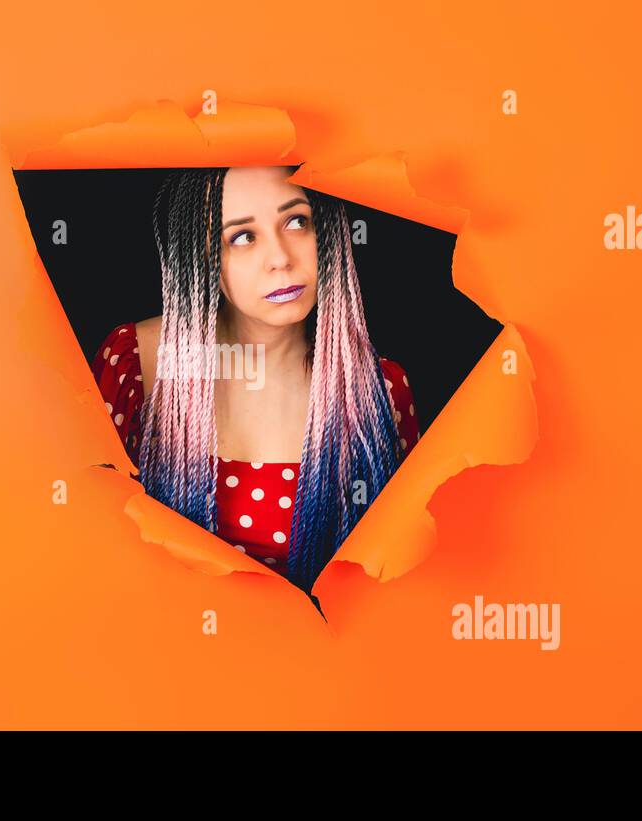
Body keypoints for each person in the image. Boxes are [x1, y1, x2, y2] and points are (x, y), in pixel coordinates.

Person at [92, 166, 418, 595]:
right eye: (242, 236)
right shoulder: (135, 362)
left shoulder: (380, 390)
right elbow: (89, 546)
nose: (281, 257)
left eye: (296, 221)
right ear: (204, 256)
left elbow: (400, 581)